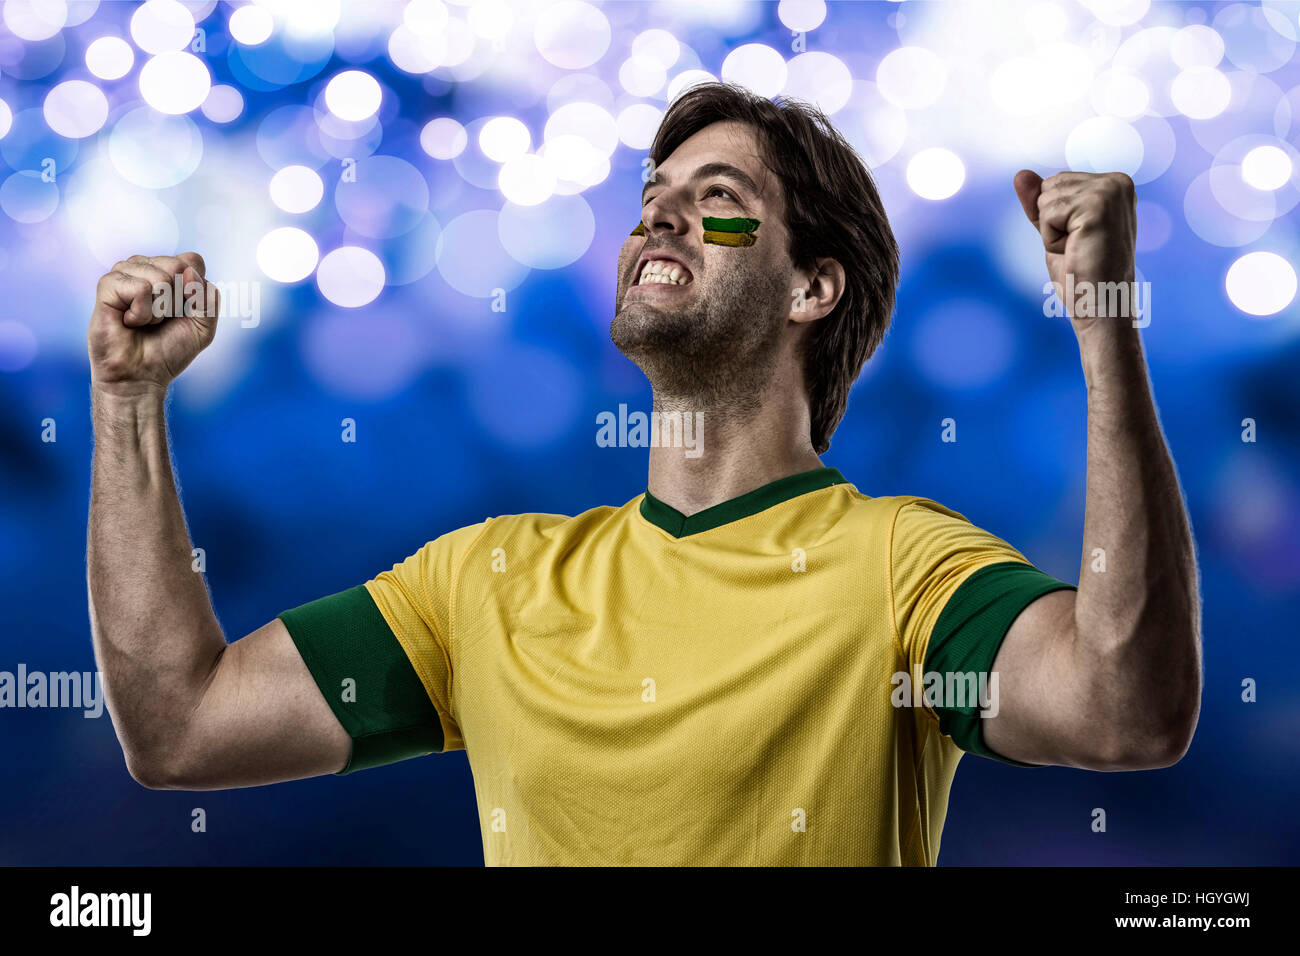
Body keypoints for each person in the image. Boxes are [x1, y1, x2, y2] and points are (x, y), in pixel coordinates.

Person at [86, 82, 1200, 865]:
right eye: (652, 196)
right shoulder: (485, 583)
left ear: (811, 288)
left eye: (717, 199)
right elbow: (182, 726)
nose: (659, 214)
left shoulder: (905, 569)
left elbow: (1126, 712)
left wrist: (1103, 323)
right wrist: (129, 404)